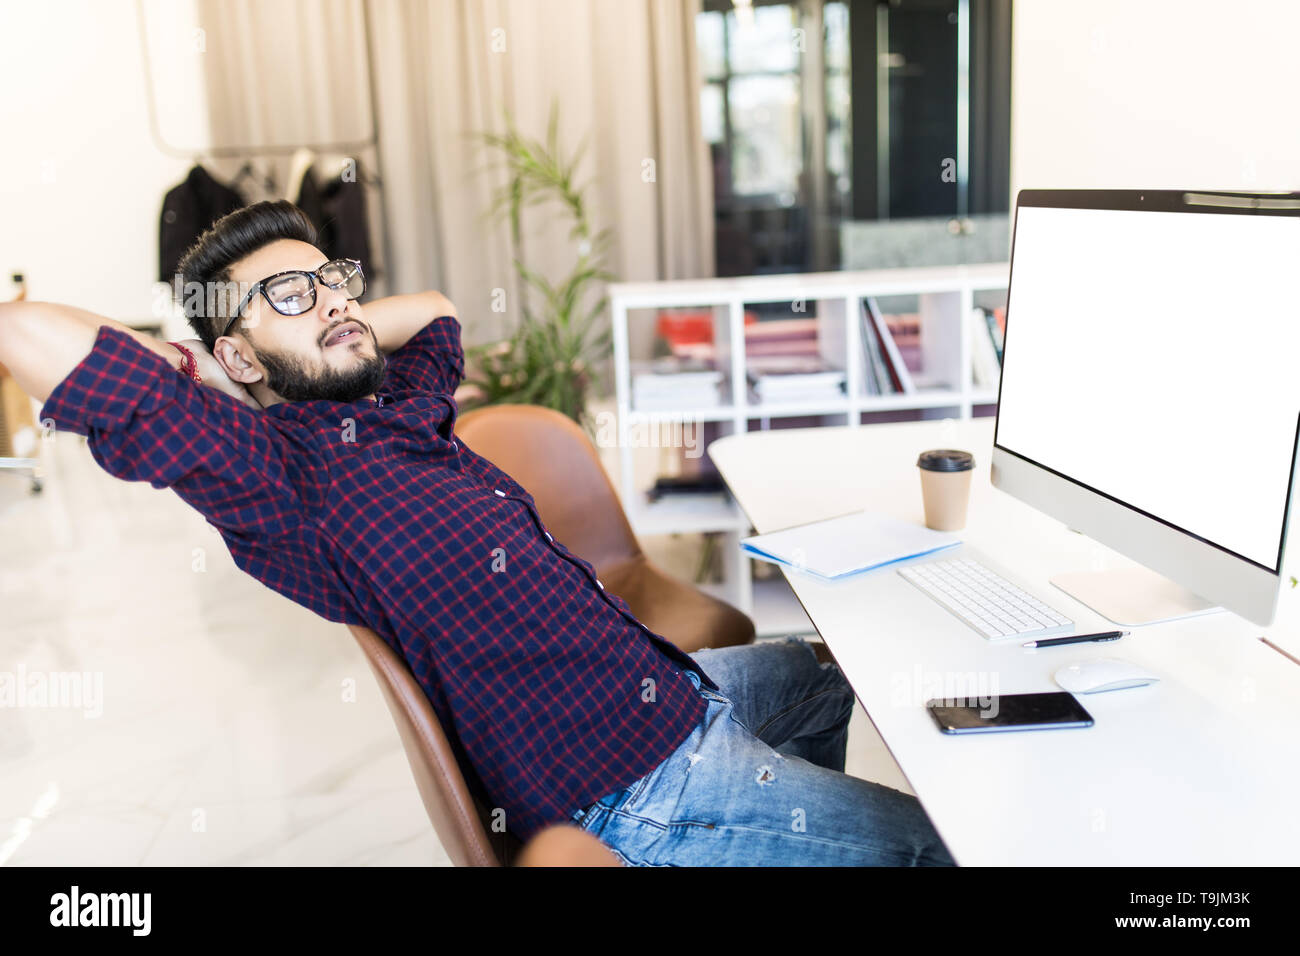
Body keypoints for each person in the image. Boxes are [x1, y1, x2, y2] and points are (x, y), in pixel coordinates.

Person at [0, 201, 954, 866]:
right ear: (238, 352)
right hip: (637, 793)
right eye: (291, 296)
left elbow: (441, 314)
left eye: (332, 280)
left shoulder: (399, 409)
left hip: (670, 690)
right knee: (950, 848)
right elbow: (29, 334)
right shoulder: (271, 475)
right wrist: (202, 369)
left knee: (826, 680)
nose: (335, 300)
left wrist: (313, 319)